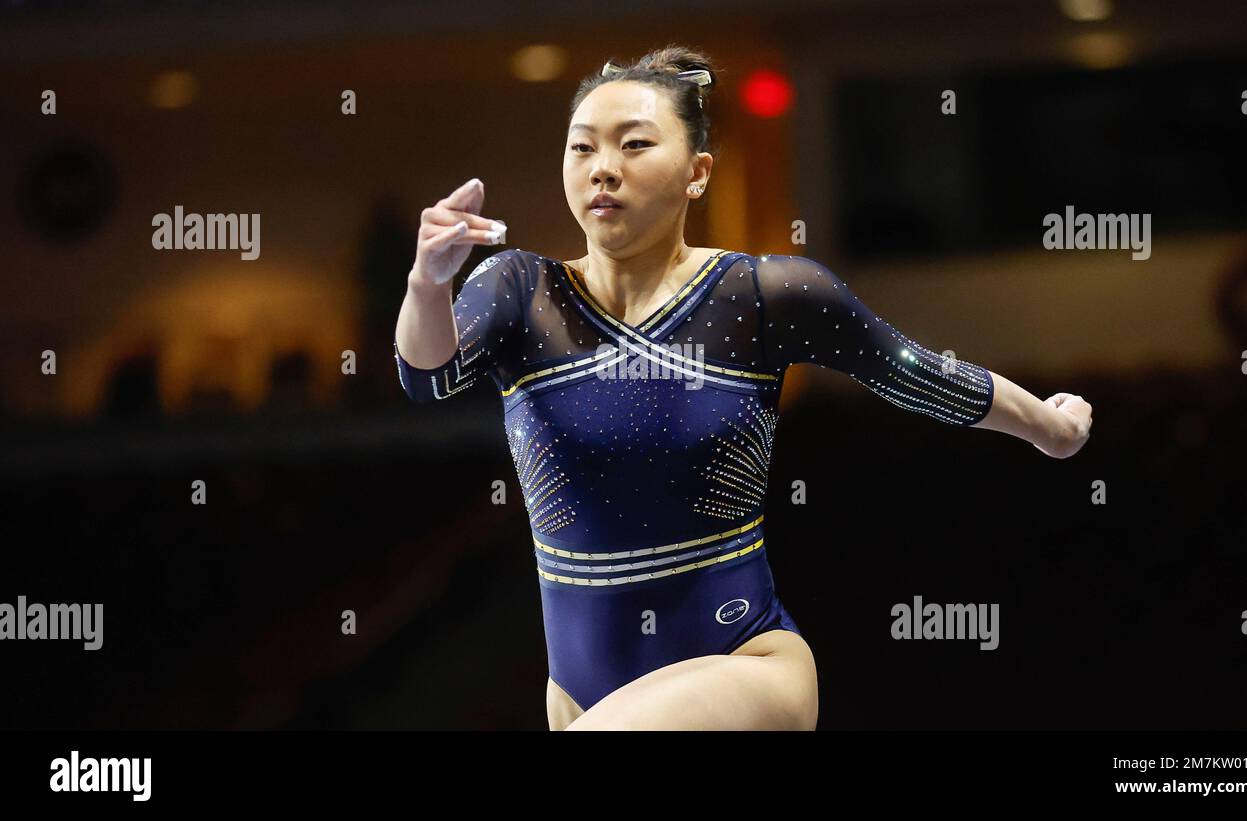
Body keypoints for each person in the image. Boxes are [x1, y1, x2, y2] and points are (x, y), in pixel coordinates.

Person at [393, 45, 1093, 730]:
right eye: (582, 148)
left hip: (745, 670)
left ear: (697, 173)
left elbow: (918, 374)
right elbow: (428, 377)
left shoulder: (761, 295)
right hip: (580, 697)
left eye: (634, 144)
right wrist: (427, 282)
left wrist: (1048, 427)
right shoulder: (519, 289)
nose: (603, 168)